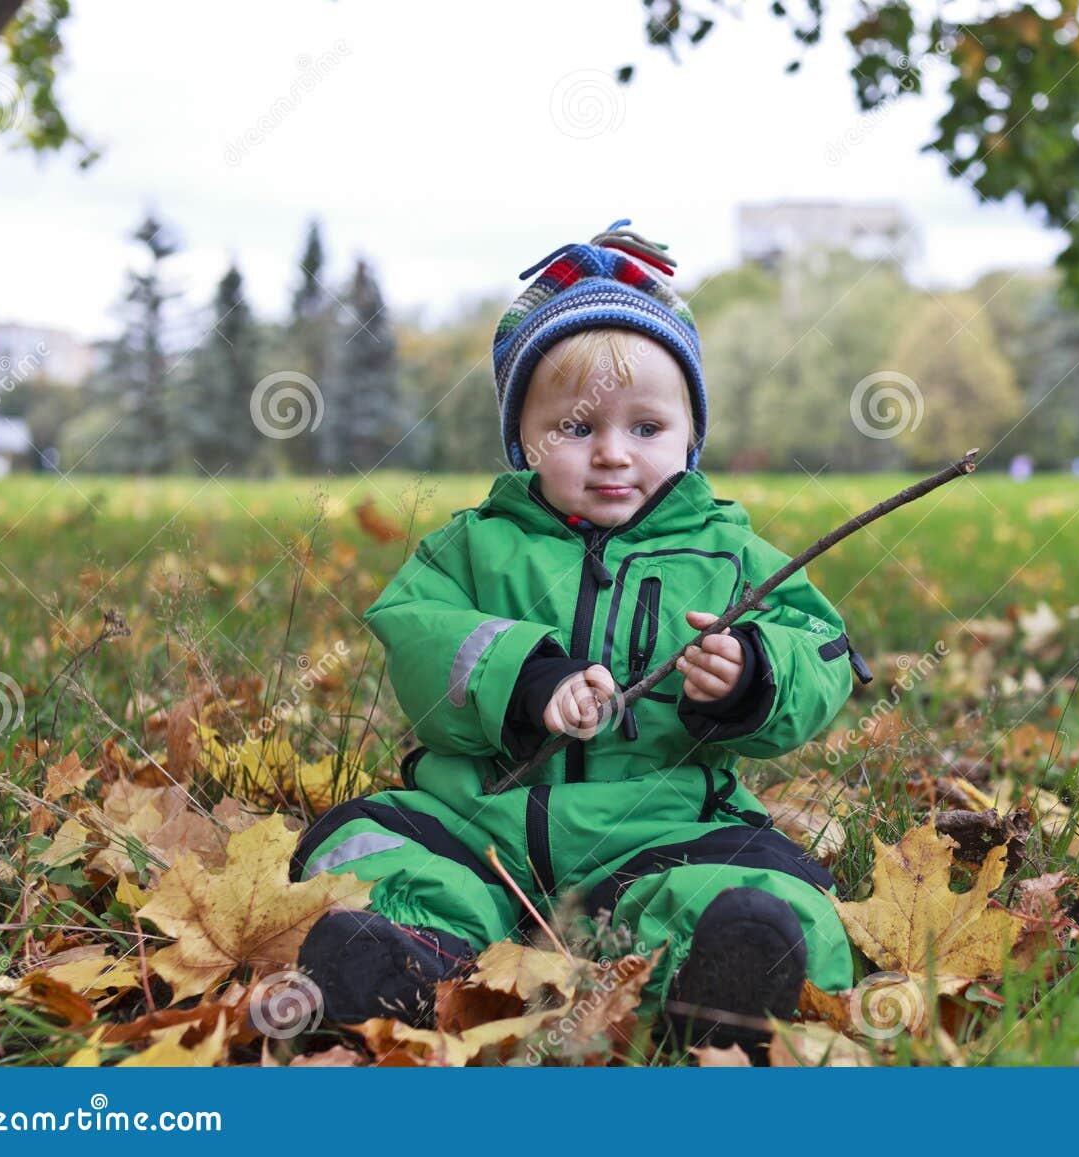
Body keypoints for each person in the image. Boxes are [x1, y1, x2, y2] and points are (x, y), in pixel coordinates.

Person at [294, 219, 873, 1060]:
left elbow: (817, 643)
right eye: (574, 428)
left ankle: (720, 977)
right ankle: (416, 956)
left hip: (660, 832)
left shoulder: (730, 553)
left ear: (689, 437)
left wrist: (750, 675)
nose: (612, 454)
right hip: (477, 823)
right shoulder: (473, 544)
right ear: (523, 438)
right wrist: (526, 679)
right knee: (358, 841)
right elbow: (420, 635)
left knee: (770, 887)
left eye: (646, 429)